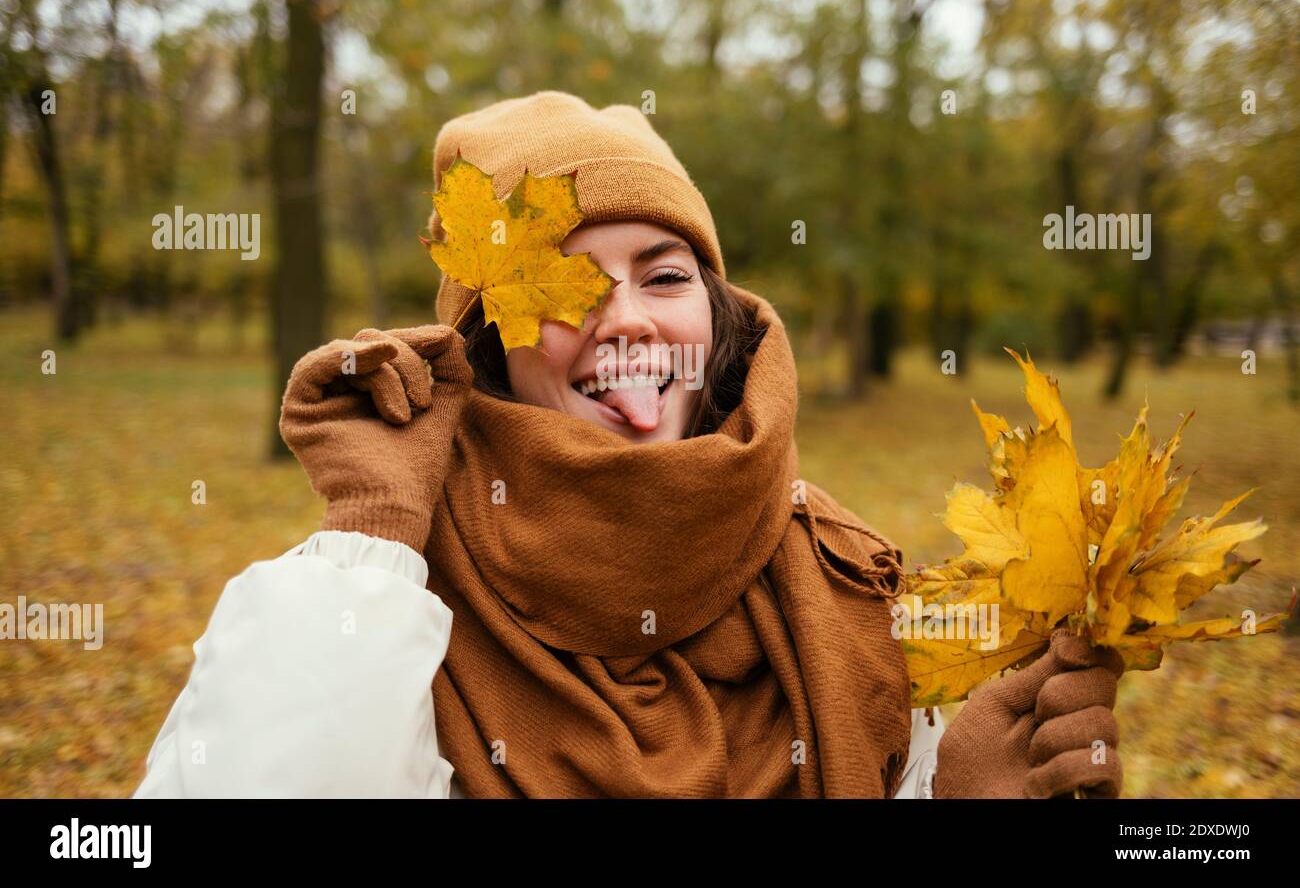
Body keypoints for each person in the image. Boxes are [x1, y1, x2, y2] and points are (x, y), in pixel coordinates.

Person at [135, 91, 1124, 799]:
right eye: (564, 286)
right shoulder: (376, 586)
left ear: (719, 312)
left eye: (663, 276)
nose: (629, 322)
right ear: (486, 346)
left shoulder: (843, 575)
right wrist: (370, 531)